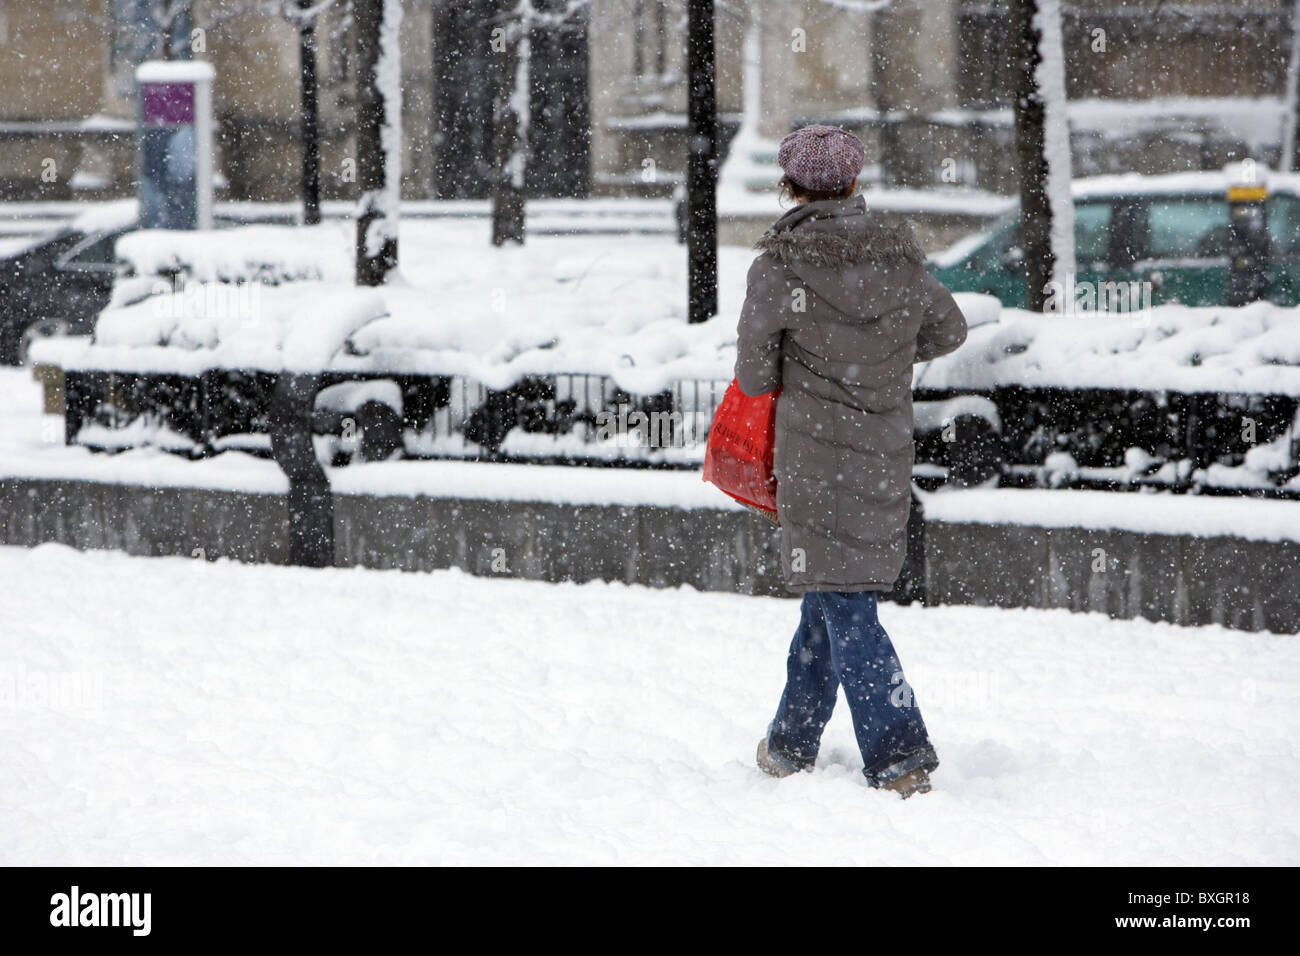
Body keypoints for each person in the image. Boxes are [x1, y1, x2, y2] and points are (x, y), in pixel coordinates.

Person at [735, 124, 968, 798]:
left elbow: (753, 377)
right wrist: (885, 360)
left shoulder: (779, 266)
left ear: (790, 185)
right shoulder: (896, 257)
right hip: (883, 453)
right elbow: (948, 328)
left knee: (843, 601)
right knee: (835, 595)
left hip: (814, 457)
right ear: (854, 181)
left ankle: (900, 757)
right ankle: (789, 743)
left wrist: (811, 365)